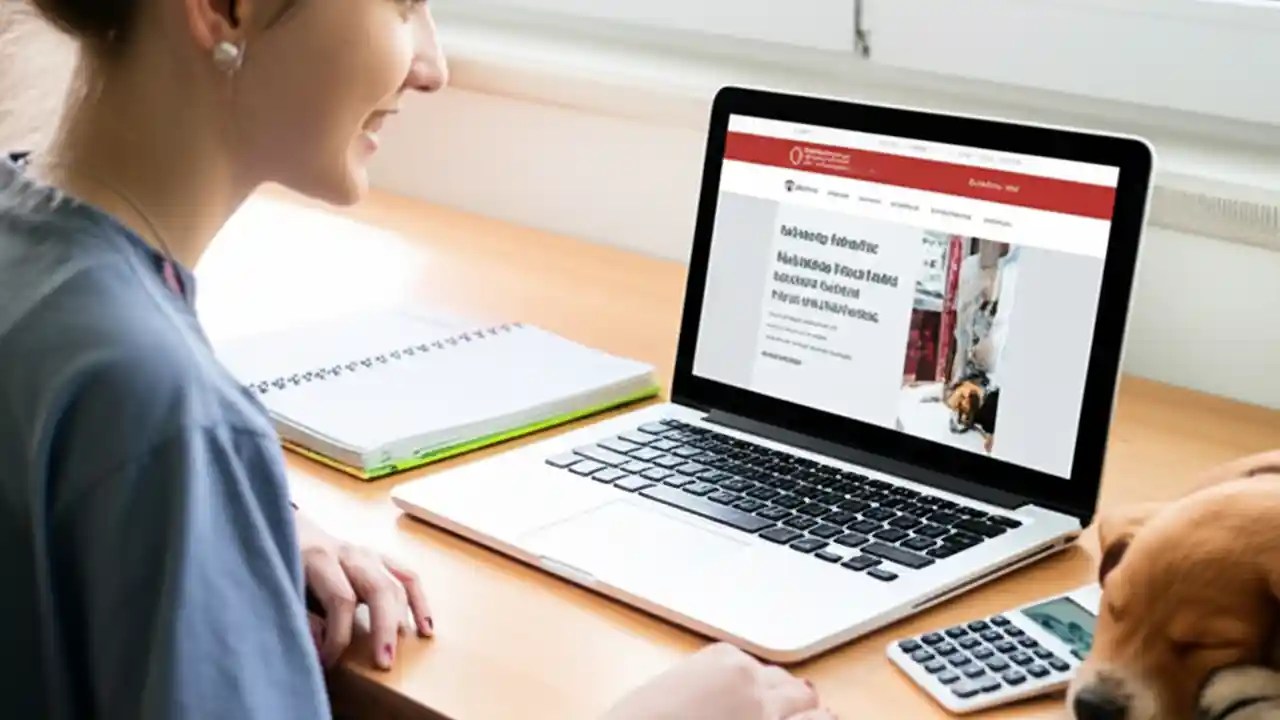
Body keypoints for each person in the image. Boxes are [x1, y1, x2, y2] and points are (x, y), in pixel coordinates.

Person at [0, 1, 837, 718]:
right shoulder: (164, 407)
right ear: (225, 7)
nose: (432, 67)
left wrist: (238, 521)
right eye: (402, 5)